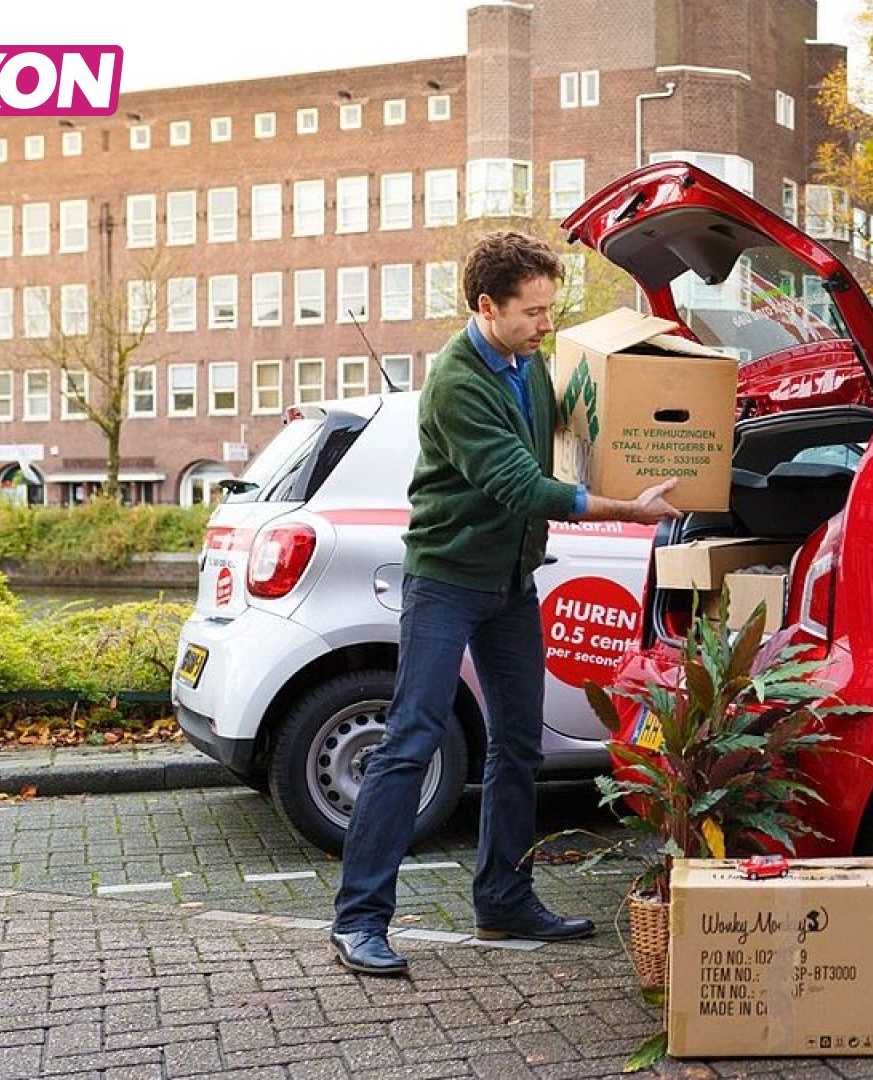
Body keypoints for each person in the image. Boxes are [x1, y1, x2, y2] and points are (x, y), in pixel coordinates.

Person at [329, 231, 682, 977]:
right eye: (533, 312)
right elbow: (522, 486)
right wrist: (628, 508)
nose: (545, 324)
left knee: (520, 742)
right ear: (487, 307)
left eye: (551, 310)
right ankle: (358, 918)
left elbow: (580, 431)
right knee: (412, 739)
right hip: (447, 583)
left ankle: (504, 899)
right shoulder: (458, 384)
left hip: (511, 584)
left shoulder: (528, 367)